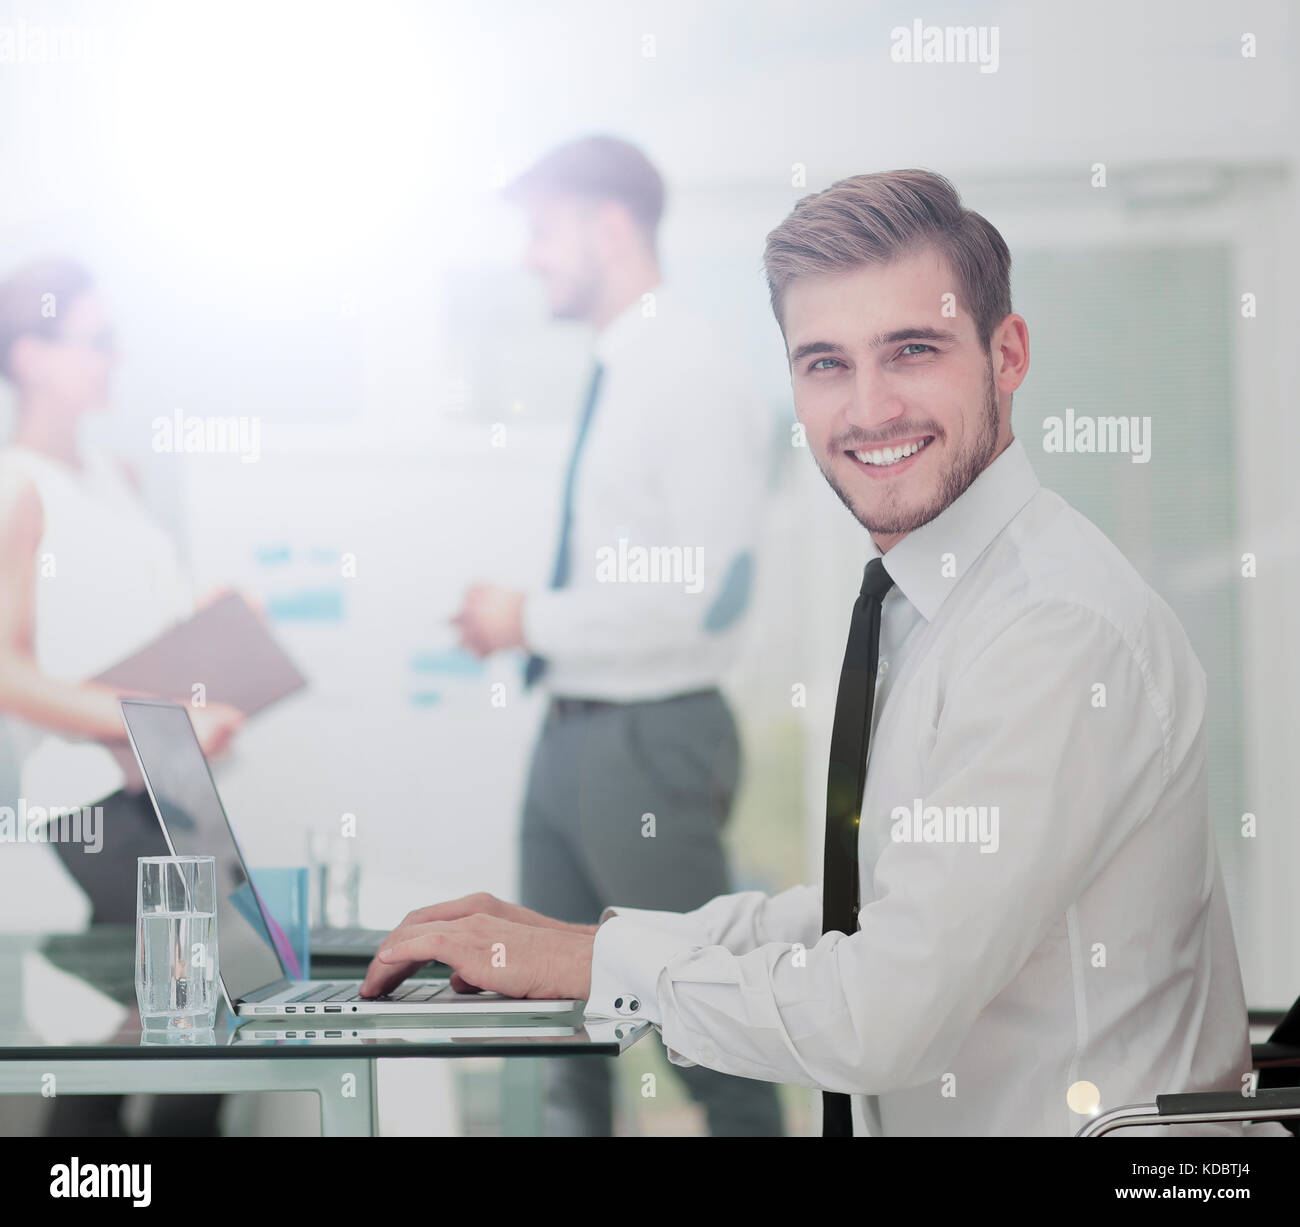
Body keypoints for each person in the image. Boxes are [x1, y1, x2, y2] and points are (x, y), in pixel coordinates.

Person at [364, 168, 1280, 1137]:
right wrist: (596, 945)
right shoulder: (931, 602)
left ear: (1006, 354)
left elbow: (875, 1015)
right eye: (825, 364)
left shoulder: (1053, 631)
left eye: (911, 350)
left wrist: (599, 966)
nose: (869, 408)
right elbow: (872, 913)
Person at [448, 136, 782, 1136]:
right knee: (552, 1034)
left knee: (704, 1034)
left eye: (542, 231)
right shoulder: (621, 370)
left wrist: (528, 618)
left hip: (647, 741)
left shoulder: (690, 372)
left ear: (610, 227)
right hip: (572, 735)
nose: (528, 256)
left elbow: (702, 593)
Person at [0, 258, 243, 1135]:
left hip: (169, 787)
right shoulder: (15, 484)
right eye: (96, 341)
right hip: (98, 803)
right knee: (133, 1043)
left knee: (196, 1032)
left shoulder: (119, 476)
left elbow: (142, 646)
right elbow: (8, 672)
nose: (115, 357)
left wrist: (220, 636)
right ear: (31, 354)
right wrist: (156, 719)